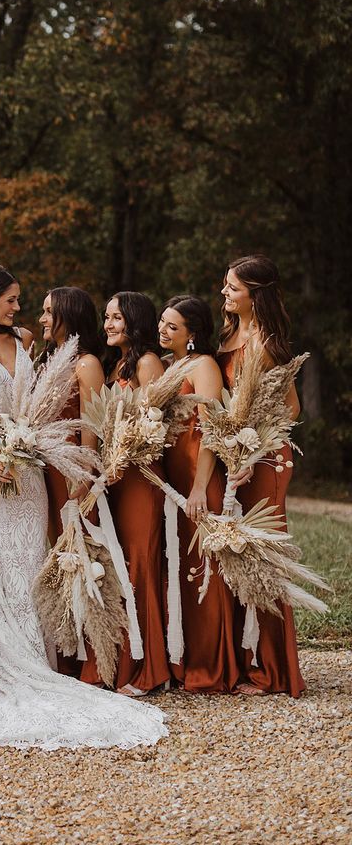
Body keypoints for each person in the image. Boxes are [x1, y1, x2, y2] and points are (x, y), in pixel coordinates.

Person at [0, 264, 167, 749]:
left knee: (30, 562)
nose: (19, 308)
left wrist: (26, 446)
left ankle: (37, 659)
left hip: (31, 471)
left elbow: (37, 402)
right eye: (11, 299)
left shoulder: (23, 340)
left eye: (21, 301)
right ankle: (5, 660)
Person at [218, 254, 305, 697]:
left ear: (256, 294)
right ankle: (244, 659)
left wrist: (258, 447)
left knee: (265, 559)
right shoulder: (233, 333)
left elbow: (291, 408)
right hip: (236, 458)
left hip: (267, 460)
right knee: (237, 554)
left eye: (233, 288)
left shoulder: (268, 342)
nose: (225, 293)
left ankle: (276, 671)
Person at [159, 295, 241, 693]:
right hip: (173, 477)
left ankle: (212, 665)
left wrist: (197, 487)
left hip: (198, 477)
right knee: (181, 567)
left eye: (173, 327)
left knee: (204, 569)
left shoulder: (204, 365)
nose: (163, 330)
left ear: (192, 334)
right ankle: (186, 657)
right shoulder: (171, 367)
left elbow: (210, 428)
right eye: (162, 323)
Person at [103, 292, 171, 696]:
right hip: (118, 477)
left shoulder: (147, 363)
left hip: (141, 478)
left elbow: (155, 427)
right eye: (106, 318)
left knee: (141, 565)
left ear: (134, 321)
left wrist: (122, 454)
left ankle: (150, 671)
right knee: (125, 566)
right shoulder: (119, 364)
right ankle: (129, 660)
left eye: (115, 318)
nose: (108, 324)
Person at [39, 286, 104, 686]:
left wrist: (81, 477)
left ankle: (91, 656)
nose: (42, 318)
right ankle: (63, 649)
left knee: (81, 557)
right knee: (57, 559)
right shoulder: (47, 360)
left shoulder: (87, 364)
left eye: (49, 312)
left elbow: (91, 426)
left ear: (69, 315)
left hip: (71, 475)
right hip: (44, 472)